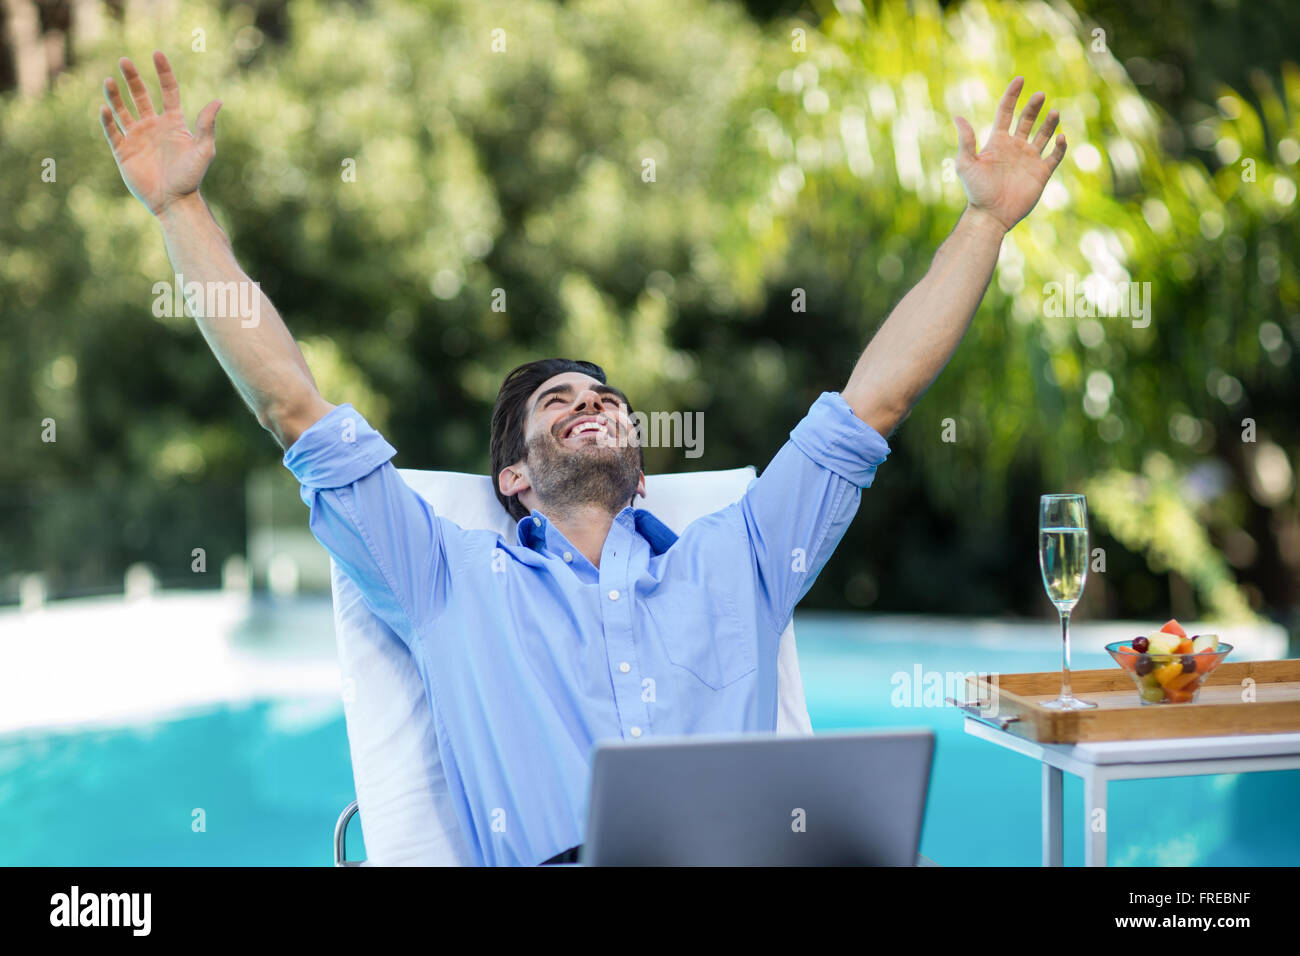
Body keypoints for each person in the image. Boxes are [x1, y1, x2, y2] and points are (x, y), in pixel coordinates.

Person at [100, 51, 1067, 866]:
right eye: (558, 403)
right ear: (512, 477)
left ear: (640, 469)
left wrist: (983, 223)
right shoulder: (444, 577)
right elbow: (291, 406)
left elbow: (877, 402)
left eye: (607, 399)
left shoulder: (741, 557)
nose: (593, 406)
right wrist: (180, 208)